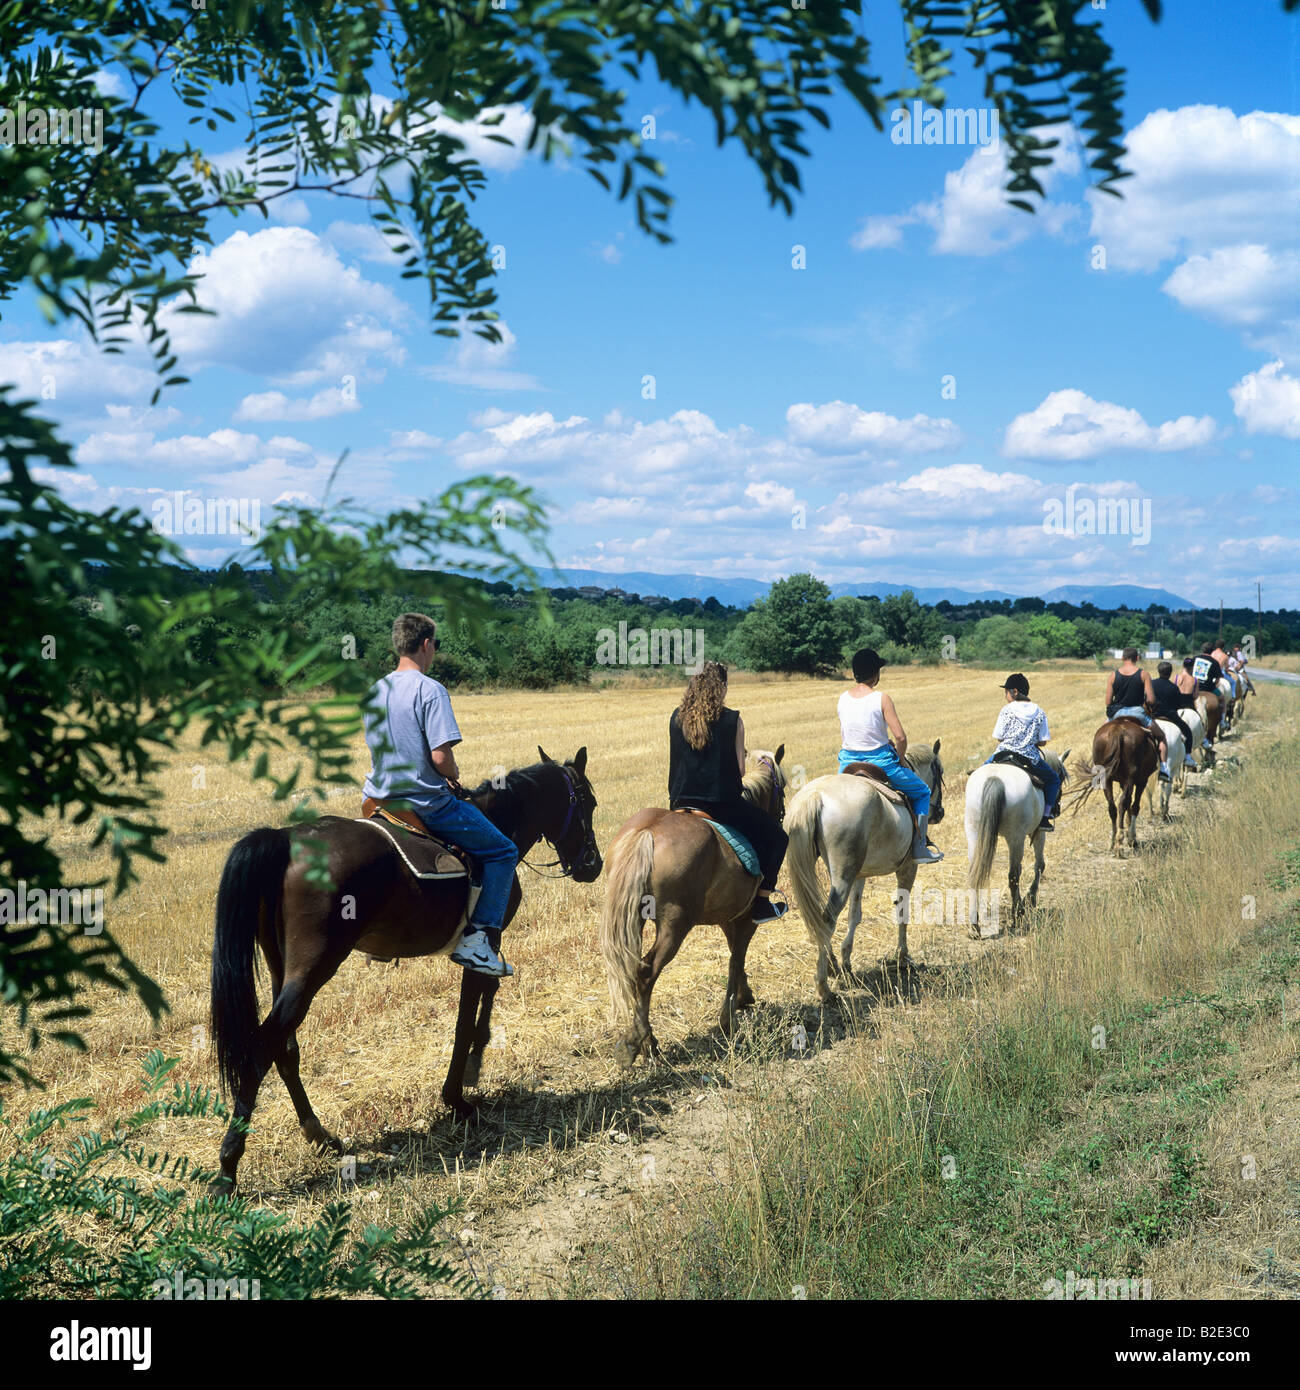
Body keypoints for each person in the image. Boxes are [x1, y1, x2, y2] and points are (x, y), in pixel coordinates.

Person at [362, 612, 518, 977]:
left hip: (379, 802)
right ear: (426, 644)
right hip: (425, 802)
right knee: (502, 851)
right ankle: (477, 941)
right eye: (435, 646)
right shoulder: (430, 690)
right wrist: (453, 773)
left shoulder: (375, 691)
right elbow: (440, 757)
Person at [668, 660, 790, 922]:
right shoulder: (732, 719)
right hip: (720, 805)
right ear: (720, 687)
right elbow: (741, 772)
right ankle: (761, 902)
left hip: (678, 801)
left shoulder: (676, 717)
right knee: (778, 838)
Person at [836, 648, 942, 864]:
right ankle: (920, 847)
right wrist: (901, 759)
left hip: (847, 763)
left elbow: (854, 732)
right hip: (881, 763)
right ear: (876, 674)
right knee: (922, 791)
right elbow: (901, 738)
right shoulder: (881, 698)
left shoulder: (842, 698)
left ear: (855, 673)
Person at [985, 674, 1062, 832]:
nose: (1005, 696)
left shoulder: (1006, 710)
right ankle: (1045, 817)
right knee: (1054, 780)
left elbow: (999, 737)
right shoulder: (1039, 712)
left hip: (1003, 754)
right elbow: (1042, 742)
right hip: (1029, 758)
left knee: (977, 773)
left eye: (1006, 692)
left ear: (1014, 691)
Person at [1104, 647, 1170, 782]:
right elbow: (1151, 699)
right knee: (1162, 737)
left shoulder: (1113, 675)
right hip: (1138, 713)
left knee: (1100, 736)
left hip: (1116, 714)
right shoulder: (1143, 674)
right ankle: (1164, 769)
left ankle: (1098, 776)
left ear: (1122, 658)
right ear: (1137, 658)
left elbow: (1108, 702)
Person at [1150, 661, 1198, 769]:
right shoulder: (1173, 687)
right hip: (1170, 716)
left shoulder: (1151, 684)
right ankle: (1188, 757)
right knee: (1187, 731)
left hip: (1153, 716)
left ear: (1159, 671)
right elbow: (1178, 705)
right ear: (1170, 672)